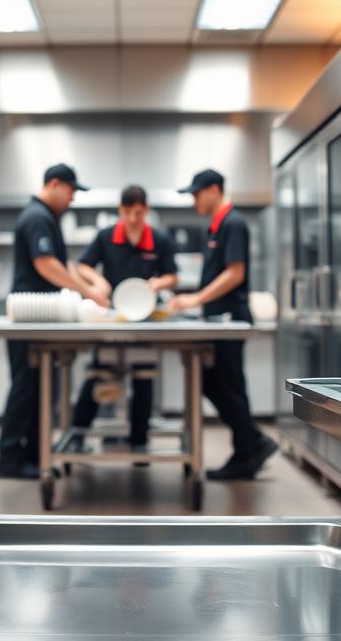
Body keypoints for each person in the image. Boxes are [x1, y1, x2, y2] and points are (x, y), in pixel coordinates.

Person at [0, 163, 109, 480]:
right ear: (56, 184)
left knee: (37, 390)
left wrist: (92, 287)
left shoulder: (48, 219)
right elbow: (46, 265)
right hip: (30, 316)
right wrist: (86, 290)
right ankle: (10, 460)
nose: (72, 199)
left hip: (42, 318)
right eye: (71, 191)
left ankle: (33, 455)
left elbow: (63, 265)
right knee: (25, 389)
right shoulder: (37, 217)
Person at [167, 168, 278, 480]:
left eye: (196, 194)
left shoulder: (233, 223)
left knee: (224, 384)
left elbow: (235, 273)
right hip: (219, 320)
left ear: (214, 190)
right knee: (222, 384)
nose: (194, 201)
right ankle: (249, 446)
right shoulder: (218, 227)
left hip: (230, 321)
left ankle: (251, 445)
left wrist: (196, 299)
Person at [71, 185, 178, 455]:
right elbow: (82, 266)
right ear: (120, 210)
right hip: (112, 321)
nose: (132, 219)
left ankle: (139, 441)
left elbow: (172, 276)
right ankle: (77, 434)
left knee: (143, 379)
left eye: (138, 213)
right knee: (98, 376)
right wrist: (97, 281)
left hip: (144, 320)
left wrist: (156, 284)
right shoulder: (106, 237)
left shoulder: (159, 239)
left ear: (146, 211)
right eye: (127, 212)